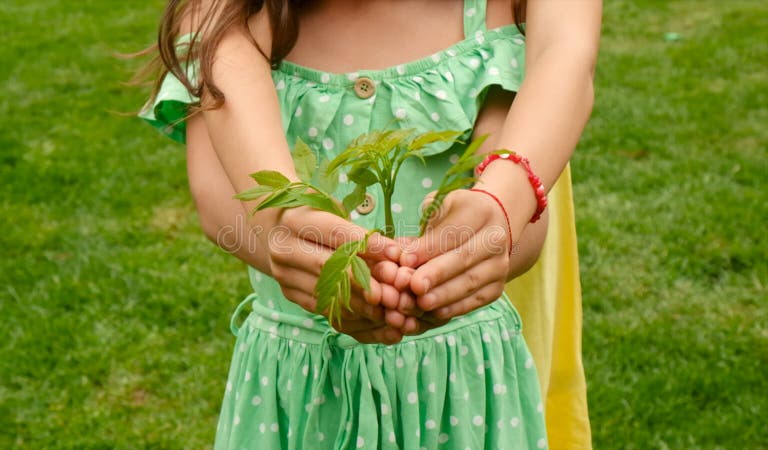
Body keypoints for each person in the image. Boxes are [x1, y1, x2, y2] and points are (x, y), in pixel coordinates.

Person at [139, 0, 600, 448]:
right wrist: (286, 229)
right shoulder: (229, 19)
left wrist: (498, 212)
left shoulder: (496, 17)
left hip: (462, 386)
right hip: (300, 389)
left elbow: (563, 59)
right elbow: (218, 198)